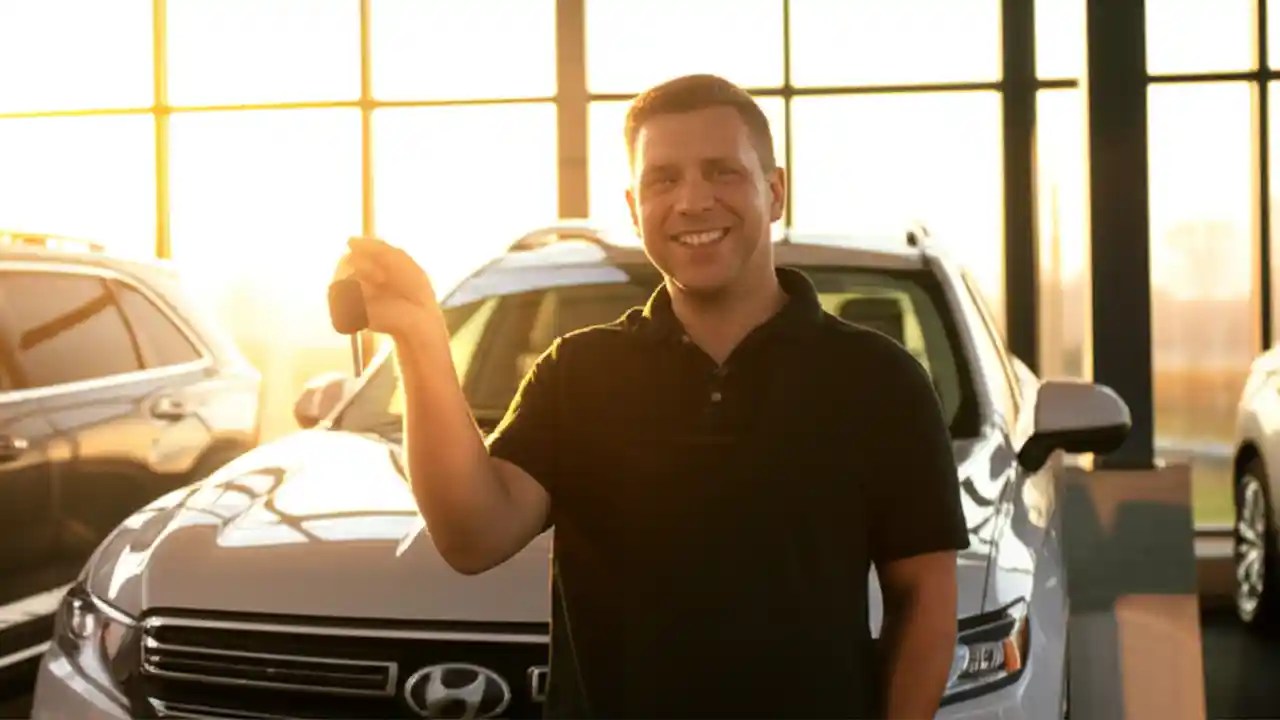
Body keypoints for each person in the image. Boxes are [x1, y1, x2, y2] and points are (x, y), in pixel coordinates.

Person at [340, 73, 969, 719]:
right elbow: (473, 538)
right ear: (635, 205)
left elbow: (924, 598)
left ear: (774, 190)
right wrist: (420, 339)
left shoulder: (879, 380)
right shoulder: (579, 373)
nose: (692, 200)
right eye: (663, 179)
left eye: (722, 172)